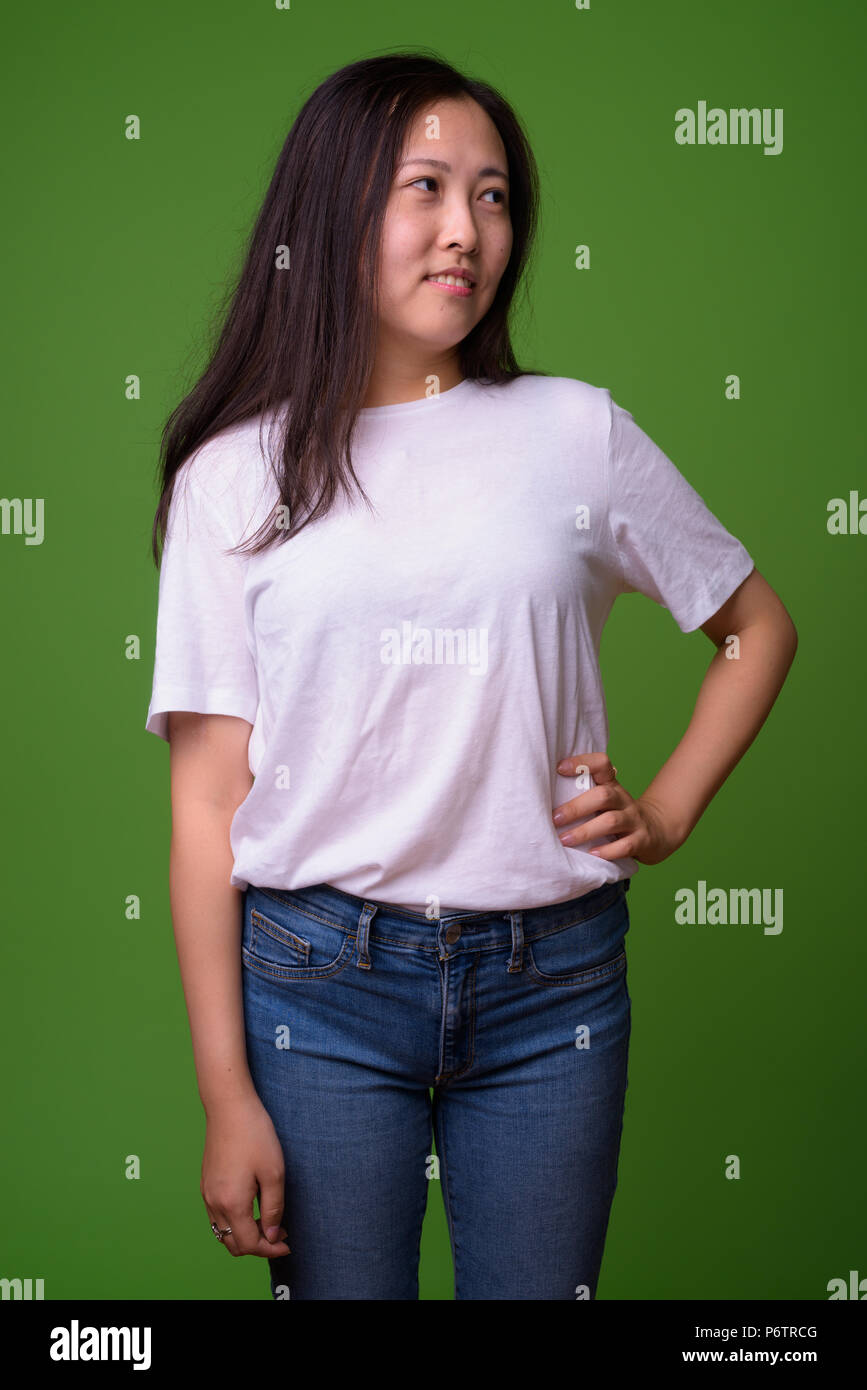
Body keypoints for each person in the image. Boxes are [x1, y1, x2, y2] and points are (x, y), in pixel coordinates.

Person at [145, 52, 797, 1301]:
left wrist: (663, 814)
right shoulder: (232, 476)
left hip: (551, 985)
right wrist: (227, 1094)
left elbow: (754, 627)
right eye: (427, 188)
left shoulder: (575, 432)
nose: (467, 231)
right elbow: (203, 806)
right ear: (332, 213)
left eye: (493, 197)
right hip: (317, 989)